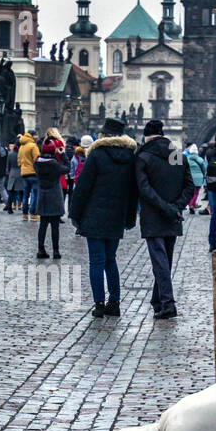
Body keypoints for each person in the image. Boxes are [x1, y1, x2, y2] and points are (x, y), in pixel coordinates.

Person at [70, 117, 137, 317]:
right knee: (111, 260)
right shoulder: (130, 156)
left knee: (96, 262)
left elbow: (83, 187)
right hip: (116, 216)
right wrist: (130, 217)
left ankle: (99, 304)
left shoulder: (97, 154)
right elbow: (133, 191)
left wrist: (75, 214)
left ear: (104, 134)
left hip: (94, 215)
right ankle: (114, 302)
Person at [134, 119, 194, 319]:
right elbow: (189, 186)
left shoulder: (143, 157)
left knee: (160, 261)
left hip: (153, 216)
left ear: (147, 136)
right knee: (165, 260)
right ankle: (158, 300)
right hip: (173, 215)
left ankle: (168, 304)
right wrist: (176, 206)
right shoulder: (177, 155)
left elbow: (144, 189)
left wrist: (164, 207)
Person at [33, 137, 68, 259]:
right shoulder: (55, 165)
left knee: (43, 225)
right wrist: (63, 155)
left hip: (43, 195)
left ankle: (40, 249)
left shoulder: (37, 163)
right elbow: (67, 168)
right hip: (55, 196)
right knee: (55, 226)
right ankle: (56, 251)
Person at [18, 129, 40, 220]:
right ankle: (34, 213)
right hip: (33, 173)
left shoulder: (21, 147)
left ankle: (24, 214)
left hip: (24, 173)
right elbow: (37, 159)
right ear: (32, 136)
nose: (37, 137)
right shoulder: (33, 146)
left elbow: (19, 161)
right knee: (35, 194)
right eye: (36, 135)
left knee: (26, 194)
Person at [184, 143, 207, 214]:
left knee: (190, 192)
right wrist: (203, 175)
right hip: (198, 178)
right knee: (196, 192)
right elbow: (204, 168)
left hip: (190, 178)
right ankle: (191, 204)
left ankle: (192, 204)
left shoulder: (187, 159)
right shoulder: (200, 159)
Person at [4, 142, 22, 213]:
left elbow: (7, 166)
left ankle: (9, 207)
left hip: (12, 173)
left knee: (11, 191)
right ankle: (21, 206)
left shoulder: (10, 154)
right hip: (20, 173)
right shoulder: (21, 155)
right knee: (22, 192)